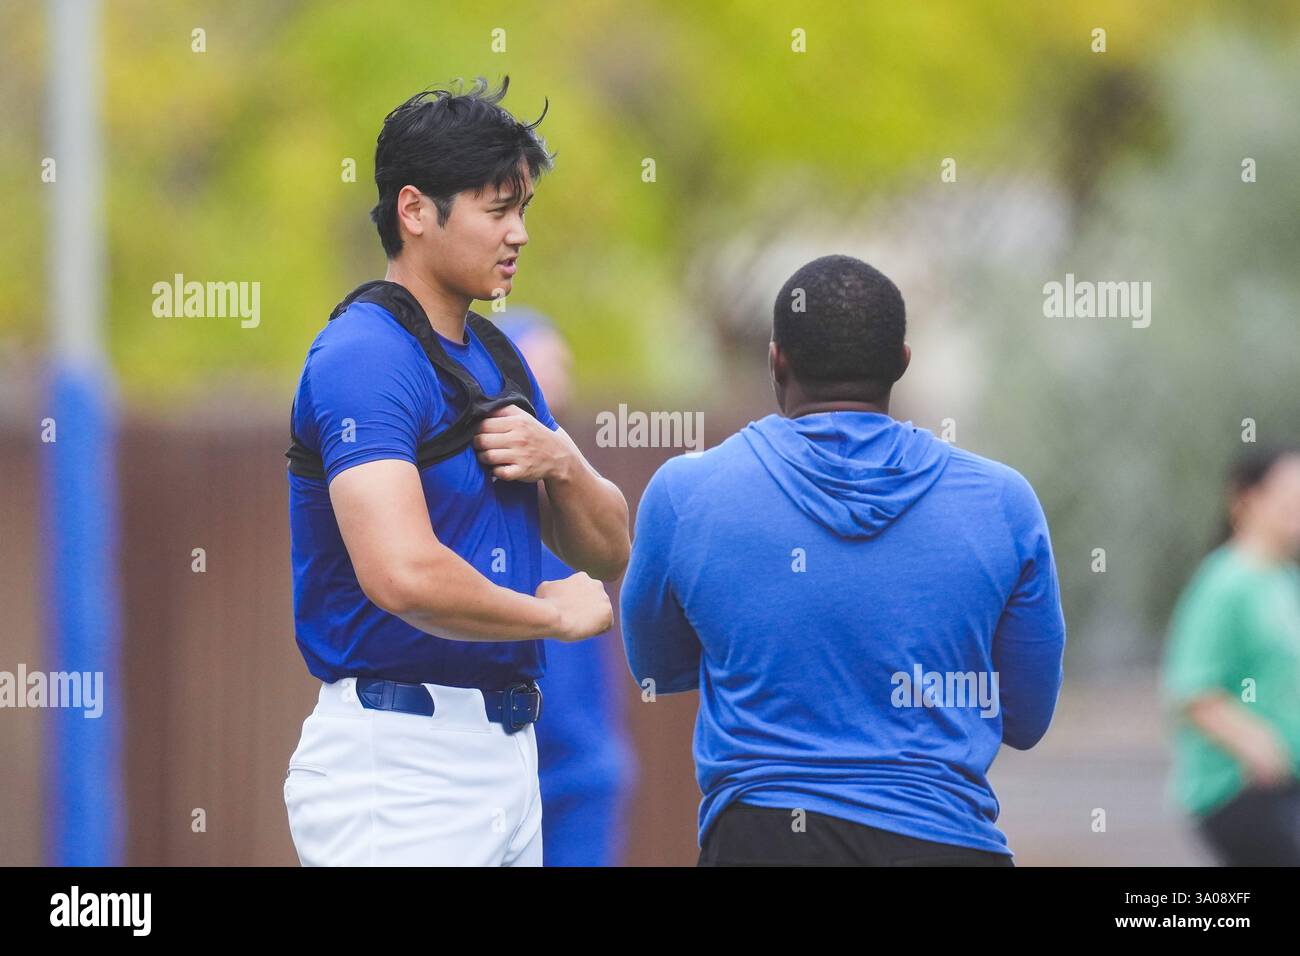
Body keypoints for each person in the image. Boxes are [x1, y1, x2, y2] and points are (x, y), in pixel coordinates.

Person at [281, 78, 630, 867]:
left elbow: (609, 553)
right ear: (414, 211)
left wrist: (564, 462)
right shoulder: (364, 355)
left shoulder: (499, 357)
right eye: (496, 210)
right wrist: (547, 616)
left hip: (505, 756)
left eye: (524, 211)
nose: (519, 235)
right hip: (399, 764)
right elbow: (400, 573)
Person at [620, 254, 1066, 866]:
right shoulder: (1002, 504)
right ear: (902, 363)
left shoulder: (685, 494)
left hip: (762, 845)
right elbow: (1027, 717)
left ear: (776, 360)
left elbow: (655, 669)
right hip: (946, 844)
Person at [497, 310, 637, 867]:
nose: (559, 381)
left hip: (579, 770)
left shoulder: (575, 493)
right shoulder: (463, 495)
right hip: (495, 761)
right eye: (543, 363)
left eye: (561, 367)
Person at [1161, 446, 1300, 866]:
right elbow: (1191, 689)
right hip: (1238, 789)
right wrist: (1257, 745)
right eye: (1288, 495)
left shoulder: (1284, 579)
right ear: (1245, 499)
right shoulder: (1224, 583)